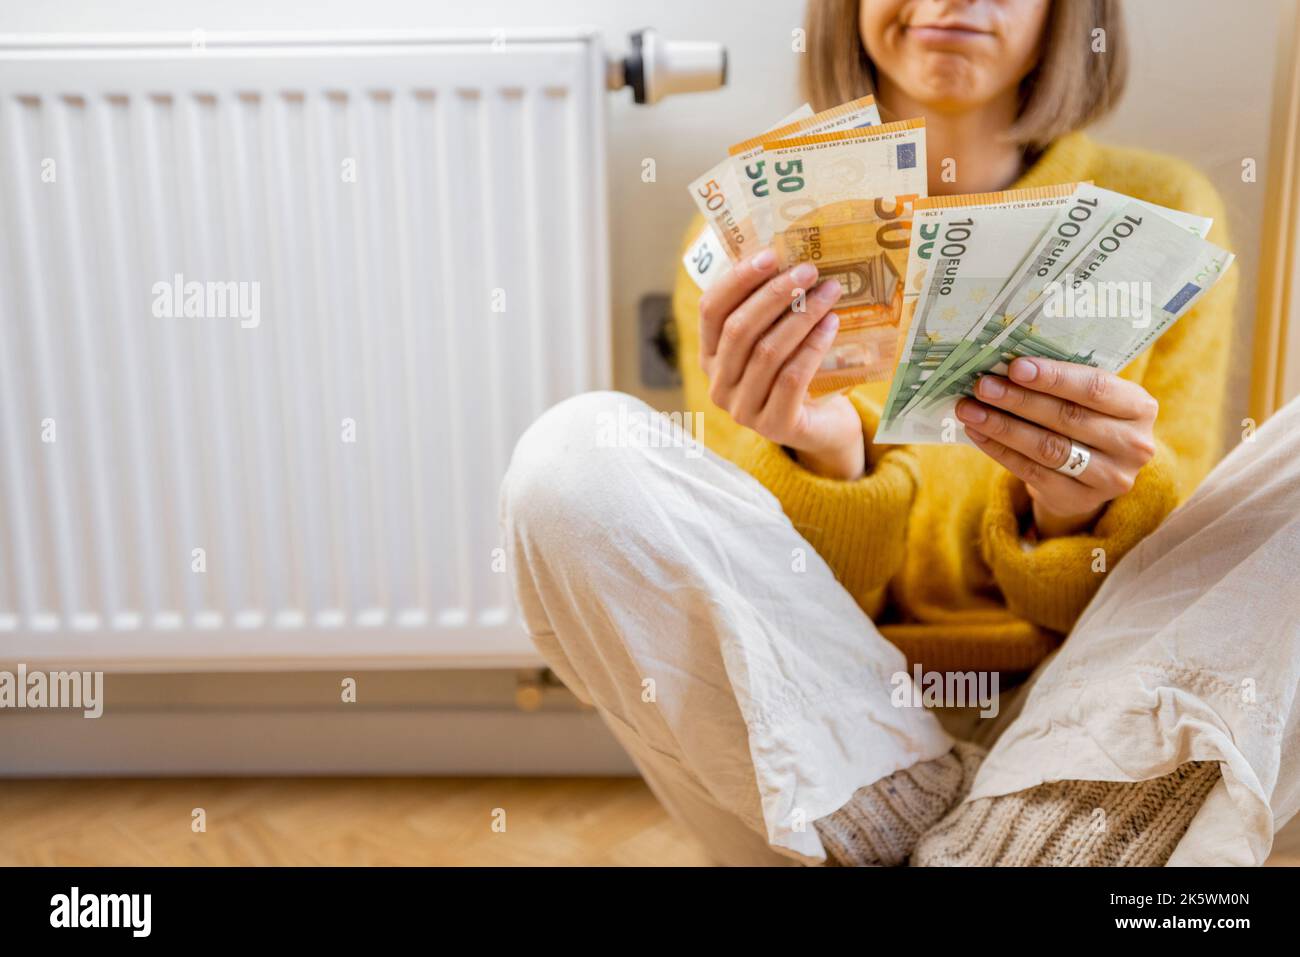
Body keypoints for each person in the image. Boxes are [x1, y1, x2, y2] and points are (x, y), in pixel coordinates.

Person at [501, 0, 1300, 865]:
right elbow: (768, 603)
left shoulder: (1165, 212)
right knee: (570, 458)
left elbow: (1162, 600)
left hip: (1081, 728)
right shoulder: (755, 245)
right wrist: (826, 455)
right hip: (821, 742)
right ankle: (935, 834)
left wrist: (1072, 513)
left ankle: (1006, 836)